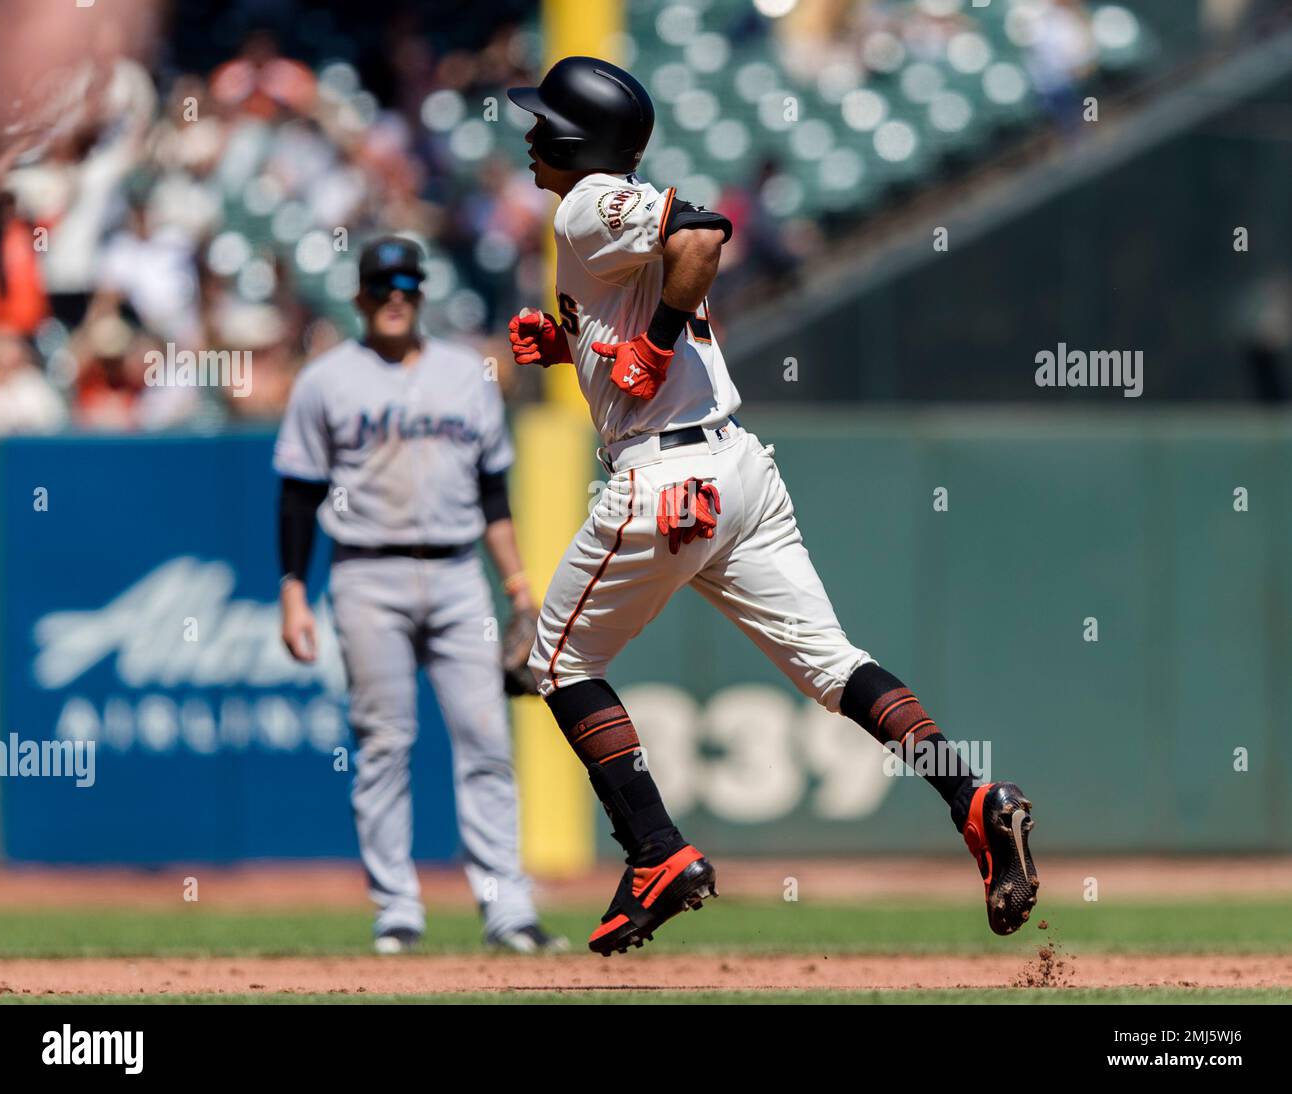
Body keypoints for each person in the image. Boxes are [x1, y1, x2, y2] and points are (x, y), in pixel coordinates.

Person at [506, 57, 1039, 955]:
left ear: (573, 139)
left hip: (665, 477)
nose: (528, 135)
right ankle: (972, 798)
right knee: (834, 666)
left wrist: (654, 345)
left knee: (558, 663)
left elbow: (705, 233)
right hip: (739, 468)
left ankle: (656, 853)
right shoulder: (597, 212)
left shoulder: (582, 200)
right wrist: (576, 345)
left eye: (541, 122)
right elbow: (653, 281)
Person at [274, 236, 565, 954]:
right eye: (381, 285)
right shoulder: (326, 380)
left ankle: (507, 913)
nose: (395, 296)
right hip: (364, 573)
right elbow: (297, 495)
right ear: (360, 296)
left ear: (423, 293)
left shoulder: (467, 374)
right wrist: (292, 591)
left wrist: (520, 590)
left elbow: (493, 491)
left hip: (458, 572)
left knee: (487, 743)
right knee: (384, 745)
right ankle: (397, 910)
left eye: (407, 284)